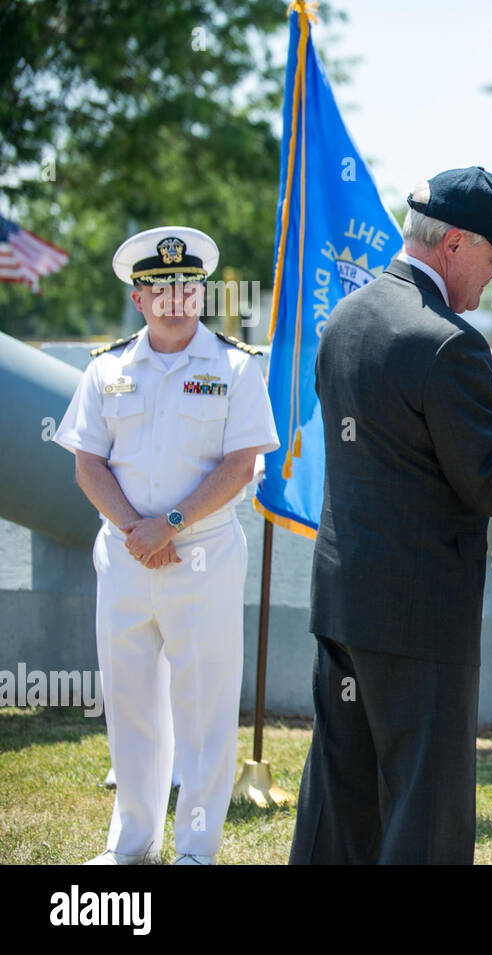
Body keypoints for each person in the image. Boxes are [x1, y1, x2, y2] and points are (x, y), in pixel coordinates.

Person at [289, 167, 492, 865]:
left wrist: (487, 431)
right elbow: (488, 489)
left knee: (340, 806)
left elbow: (396, 450)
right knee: (424, 816)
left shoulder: (345, 318)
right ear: (455, 243)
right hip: (419, 620)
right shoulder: (451, 343)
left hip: (345, 605)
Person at [55, 225, 279, 865]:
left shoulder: (235, 367)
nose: (175, 297)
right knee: (130, 706)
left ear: (203, 294)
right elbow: (87, 464)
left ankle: (196, 851)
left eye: (187, 286)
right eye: (161, 288)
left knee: (205, 709)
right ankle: (131, 846)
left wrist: (169, 525)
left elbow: (241, 465)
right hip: (127, 558)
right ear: (139, 299)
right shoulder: (107, 368)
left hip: (201, 558)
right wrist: (136, 529)